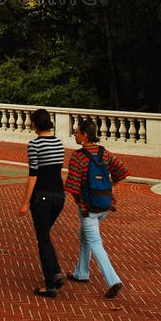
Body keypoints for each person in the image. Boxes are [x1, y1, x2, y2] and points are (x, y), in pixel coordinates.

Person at [64, 117, 129, 298]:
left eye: (77, 132)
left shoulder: (78, 157)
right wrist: (111, 186)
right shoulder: (104, 153)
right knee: (84, 236)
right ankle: (81, 272)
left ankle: (113, 279)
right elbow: (122, 171)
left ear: (84, 135)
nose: (75, 135)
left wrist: (80, 203)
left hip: (88, 207)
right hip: (105, 204)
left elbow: (72, 186)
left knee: (95, 242)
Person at [18, 108, 66, 298]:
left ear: (36, 124)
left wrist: (25, 202)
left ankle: (50, 285)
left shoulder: (34, 145)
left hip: (42, 197)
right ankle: (55, 274)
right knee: (45, 235)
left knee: (43, 239)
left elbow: (33, 175)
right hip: (59, 196)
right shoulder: (59, 143)